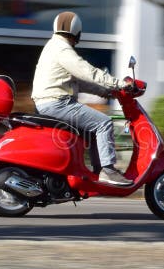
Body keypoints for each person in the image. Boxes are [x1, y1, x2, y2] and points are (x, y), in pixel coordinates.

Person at [31, 11, 132, 186]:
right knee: (104, 123)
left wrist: (106, 92)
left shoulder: (54, 46)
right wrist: (118, 84)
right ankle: (108, 171)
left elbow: (78, 81)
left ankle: (98, 171)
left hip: (49, 103)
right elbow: (87, 72)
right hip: (57, 103)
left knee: (93, 129)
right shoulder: (63, 49)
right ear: (77, 33)